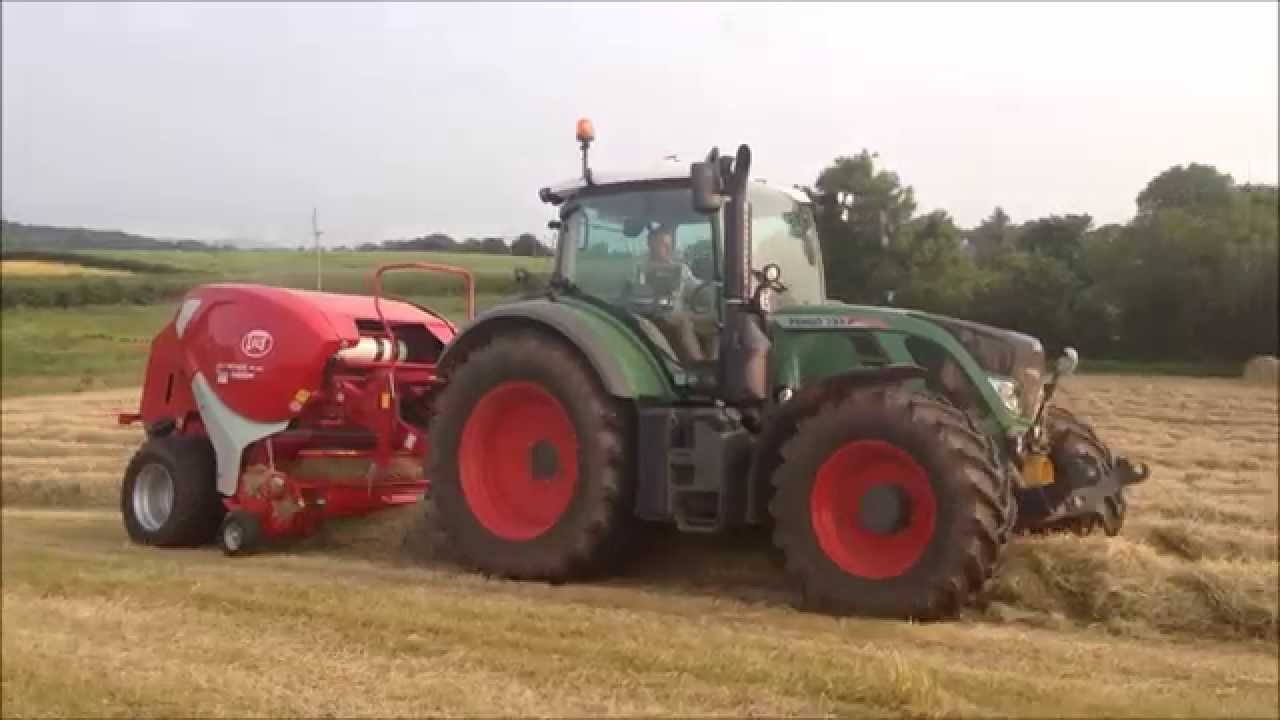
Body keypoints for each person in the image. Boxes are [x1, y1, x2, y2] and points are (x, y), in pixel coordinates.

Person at [641, 224, 706, 362]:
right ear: (651, 245)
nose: (668, 249)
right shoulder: (641, 269)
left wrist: (712, 288)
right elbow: (637, 294)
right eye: (663, 245)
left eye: (669, 245)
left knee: (717, 321)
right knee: (683, 321)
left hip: (676, 312)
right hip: (651, 314)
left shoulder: (680, 269)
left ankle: (715, 363)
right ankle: (698, 363)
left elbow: (696, 287)